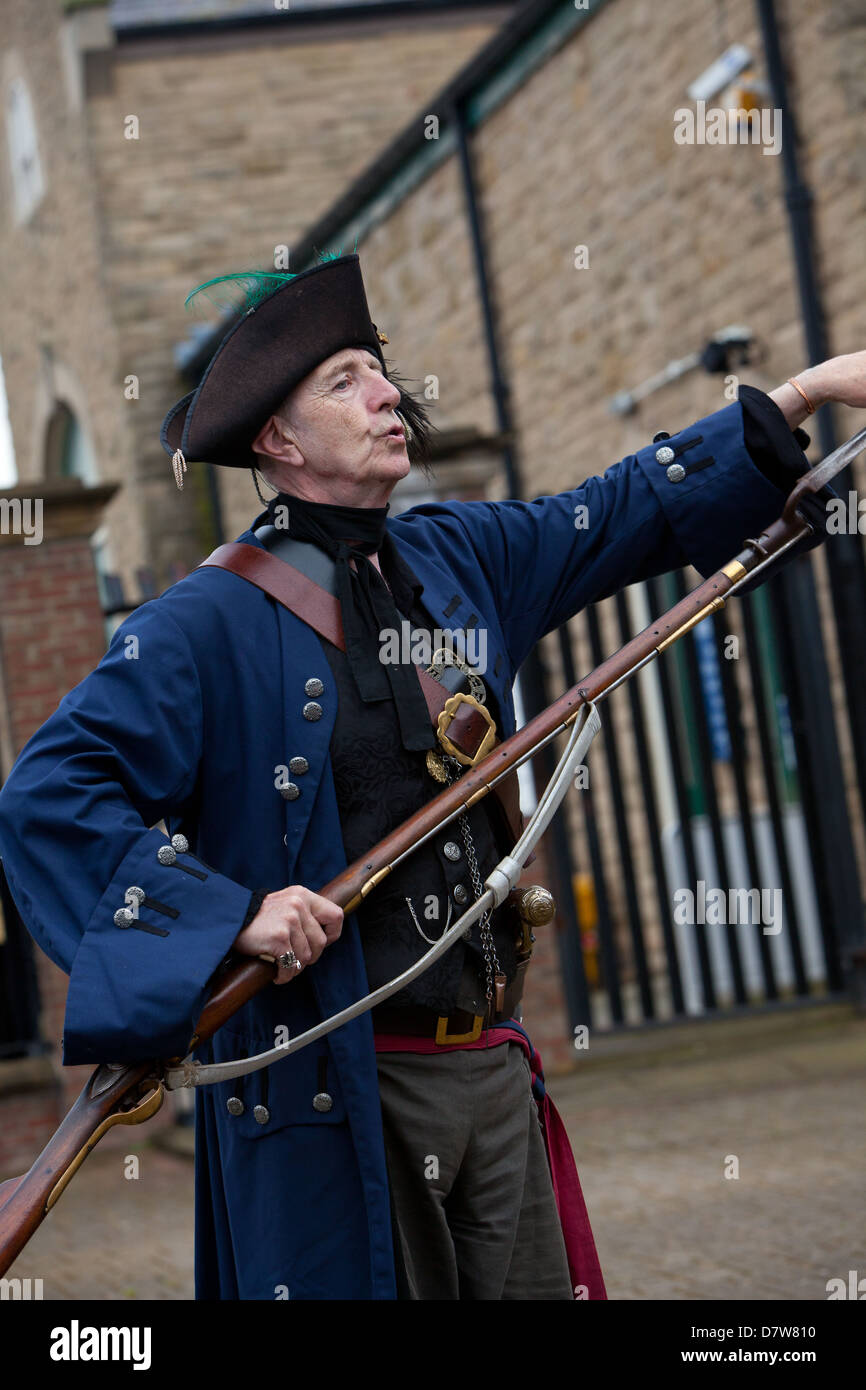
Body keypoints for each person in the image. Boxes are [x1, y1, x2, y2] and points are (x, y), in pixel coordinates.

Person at [0, 252, 861, 1300]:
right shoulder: (201, 624)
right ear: (277, 440)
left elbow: (625, 504)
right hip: (336, 1093)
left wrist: (805, 390)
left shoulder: (460, 555)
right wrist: (228, 914)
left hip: (488, 1066)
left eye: (380, 369)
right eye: (343, 380)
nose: (384, 394)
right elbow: (50, 794)